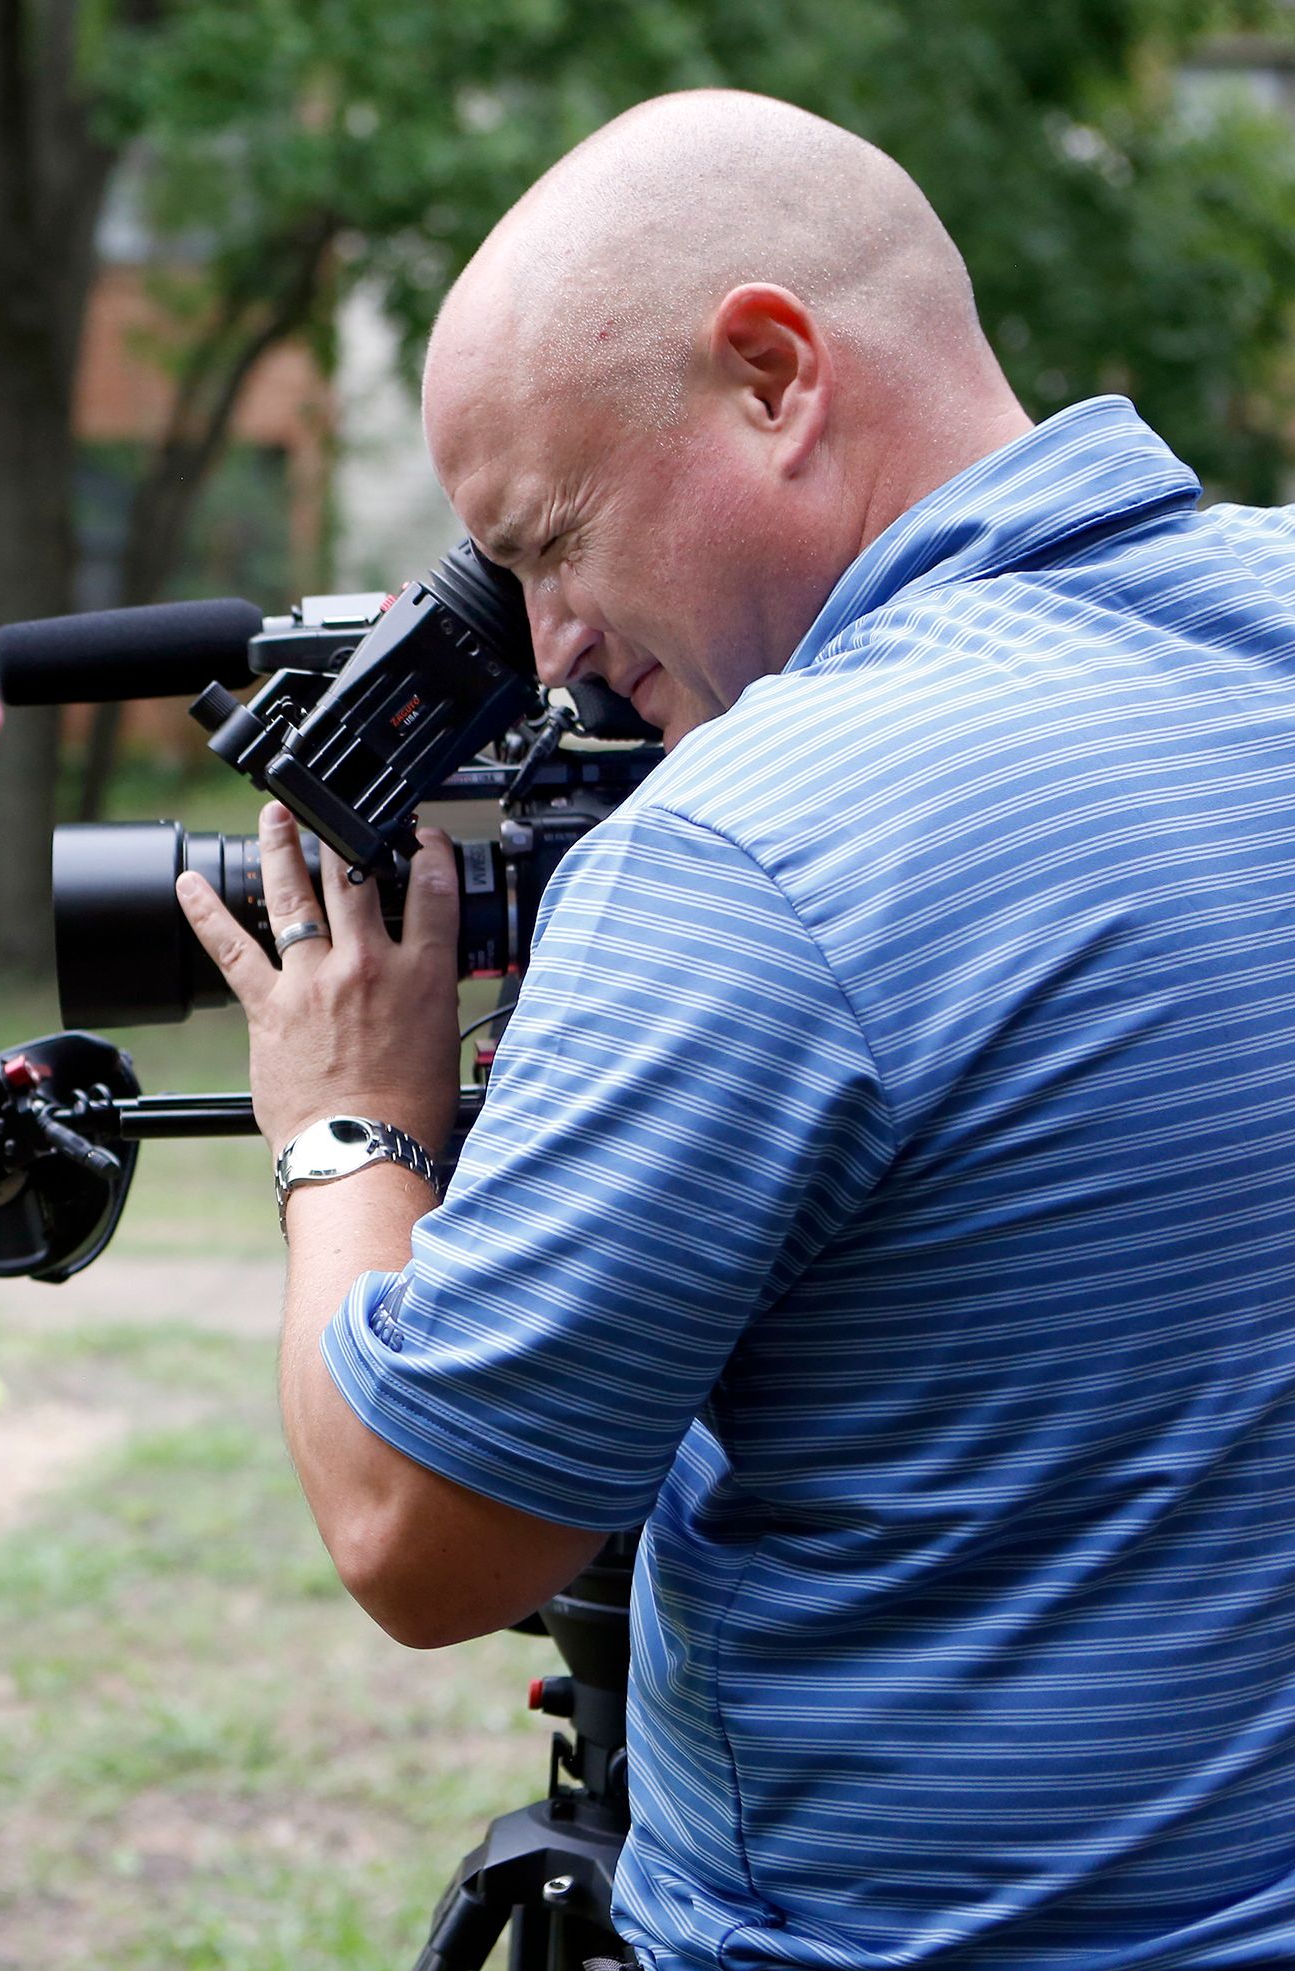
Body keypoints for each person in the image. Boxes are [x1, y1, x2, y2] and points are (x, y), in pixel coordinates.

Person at [177, 92, 1295, 1969]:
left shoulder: (757, 843)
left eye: (550, 541)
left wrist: (351, 1122)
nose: (543, 649)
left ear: (775, 376)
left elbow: (419, 1532)